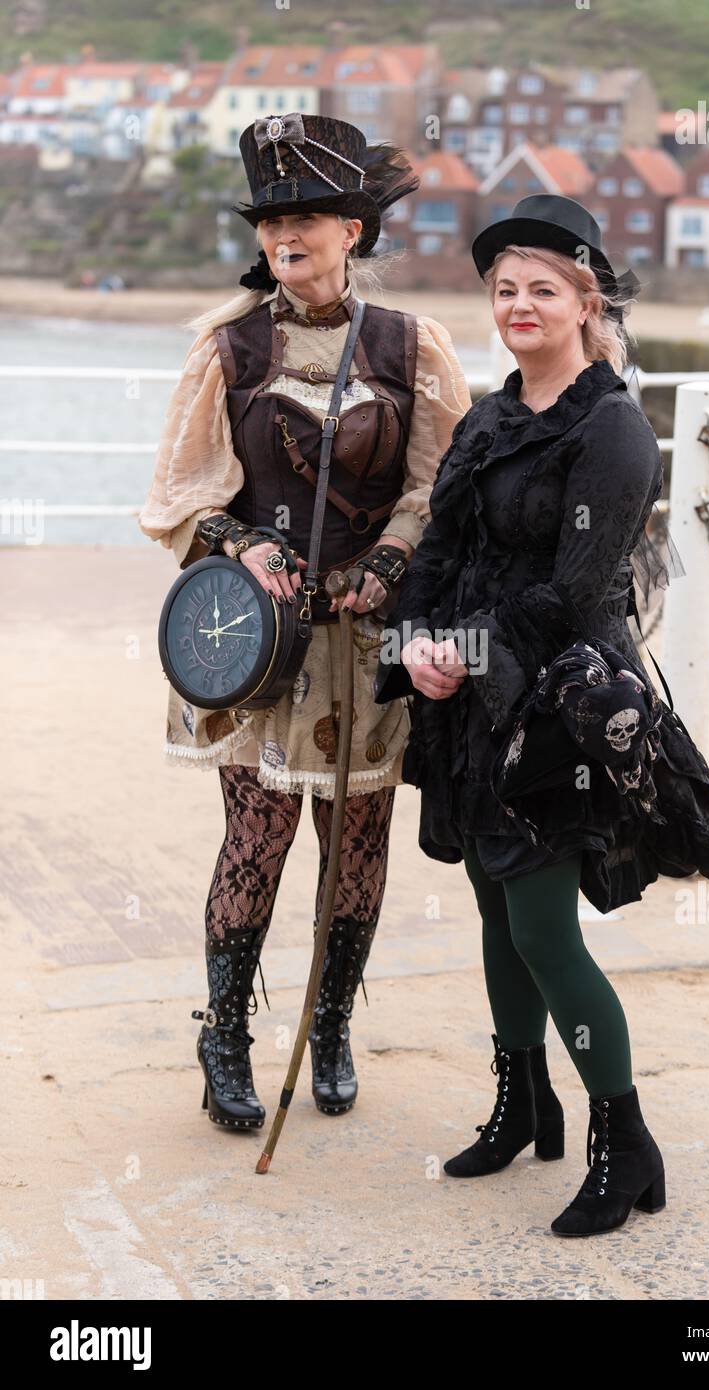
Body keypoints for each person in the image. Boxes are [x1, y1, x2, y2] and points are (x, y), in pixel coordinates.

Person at [374, 195, 709, 1237]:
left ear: (587, 302)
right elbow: (441, 549)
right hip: (467, 702)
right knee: (497, 910)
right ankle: (523, 1101)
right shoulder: (489, 417)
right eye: (504, 289)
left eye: (542, 288)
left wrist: (456, 654)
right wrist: (416, 641)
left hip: (559, 712)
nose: (519, 304)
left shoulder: (612, 427)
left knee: (548, 927)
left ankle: (624, 1139)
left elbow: (578, 591)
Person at [138, 113, 471, 1129]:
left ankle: (329, 1027)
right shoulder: (225, 349)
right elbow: (177, 499)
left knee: (357, 839)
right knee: (257, 834)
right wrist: (240, 541)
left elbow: (438, 486)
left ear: (352, 232)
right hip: (258, 642)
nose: (288, 233)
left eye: (309, 217)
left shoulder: (413, 348)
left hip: (363, 638)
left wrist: (390, 559)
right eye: (274, 217)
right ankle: (224, 1036)